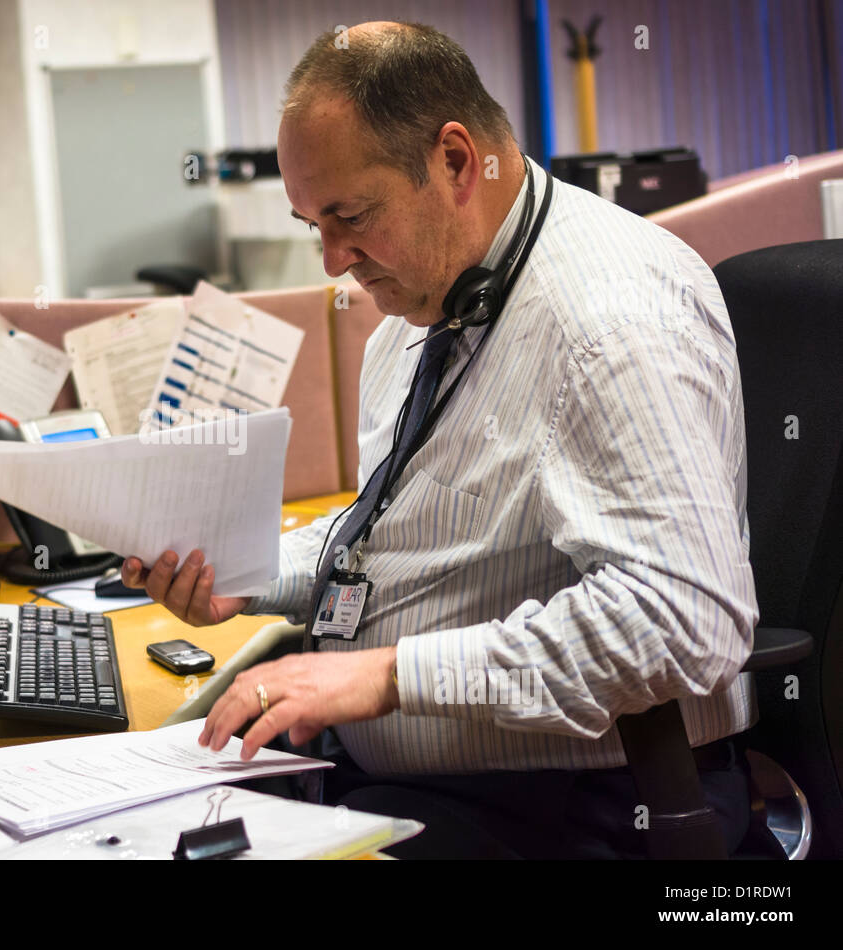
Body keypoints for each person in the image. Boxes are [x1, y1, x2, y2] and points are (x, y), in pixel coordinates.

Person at [122, 21, 759, 858]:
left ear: (455, 161)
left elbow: (683, 623)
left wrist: (386, 676)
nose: (331, 259)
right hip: (414, 781)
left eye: (348, 216)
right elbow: (392, 539)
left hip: (576, 803)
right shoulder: (419, 312)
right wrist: (245, 575)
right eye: (311, 223)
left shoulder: (607, 321)